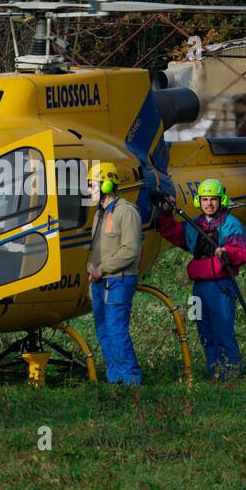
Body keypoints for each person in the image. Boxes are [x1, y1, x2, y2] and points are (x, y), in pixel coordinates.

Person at [156, 179, 246, 379]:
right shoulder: (194, 225)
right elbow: (170, 231)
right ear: (199, 201)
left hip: (221, 286)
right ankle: (214, 370)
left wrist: (227, 252)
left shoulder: (231, 225)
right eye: (205, 199)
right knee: (203, 330)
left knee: (223, 330)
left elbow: (242, 253)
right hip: (198, 287)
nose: (209, 204)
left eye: (213, 199)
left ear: (221, 200)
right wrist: (165, 212)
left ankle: (231, 371)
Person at [86, 161, 143, 386]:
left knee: (116, 331)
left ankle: (131, 380)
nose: (89, 189)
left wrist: (102, 269)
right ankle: (115, 379)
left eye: (93, 185)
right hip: (100, 281)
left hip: (118, 281)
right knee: (103, 331)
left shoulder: (126, 212)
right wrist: (91, 269)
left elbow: (130, 250)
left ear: (107, 185)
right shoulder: (99, 214)